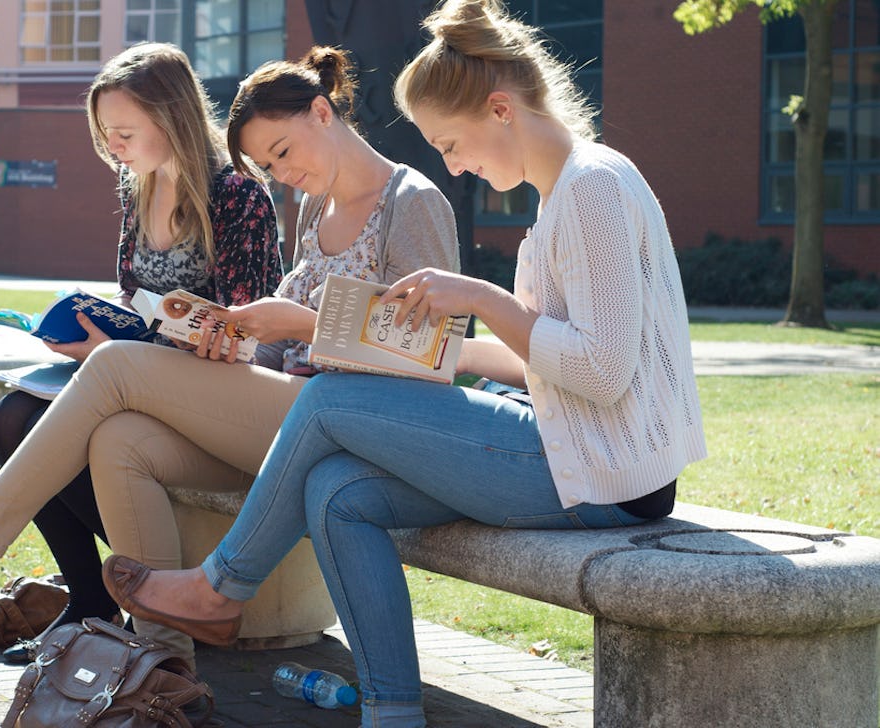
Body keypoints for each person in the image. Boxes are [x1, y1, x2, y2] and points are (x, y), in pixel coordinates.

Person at [97, 2, 708, 726]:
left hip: (606, 470)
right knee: (336, 493)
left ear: (501, 110)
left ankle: (219, 588)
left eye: (450, 143)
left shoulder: (592, 186)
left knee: (326, 403)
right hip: (572, 445)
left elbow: (603, 373)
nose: (453, 165)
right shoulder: (563, 195)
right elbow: (537, 360)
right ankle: (393, 713)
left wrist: (480, 296)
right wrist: (444, 344)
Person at [0, 46, 459, 668]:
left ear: (323, 113)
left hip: (349, 426)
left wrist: (296, 324)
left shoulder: (412, 201)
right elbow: (279, 345)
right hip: (287, 413)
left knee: (114, 366)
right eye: (269, 162)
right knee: (120, 441)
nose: (280, 173)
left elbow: (433, 363)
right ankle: (161, 661)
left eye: (281, 153)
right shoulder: (318, 206)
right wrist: (234, 333)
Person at [0, 42, 283, 662]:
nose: (113, 147)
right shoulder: (136, 186)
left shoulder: (238, 196)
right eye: (105, 134)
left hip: (215, 395)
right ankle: (91, 600)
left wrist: (119, 347)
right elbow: (132, 292)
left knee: (88, 429)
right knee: (12, 416)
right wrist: (95, 328)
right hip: (132, 373)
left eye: (123, 132)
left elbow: (249, 335)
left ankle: (129, 597)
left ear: (171, 117)